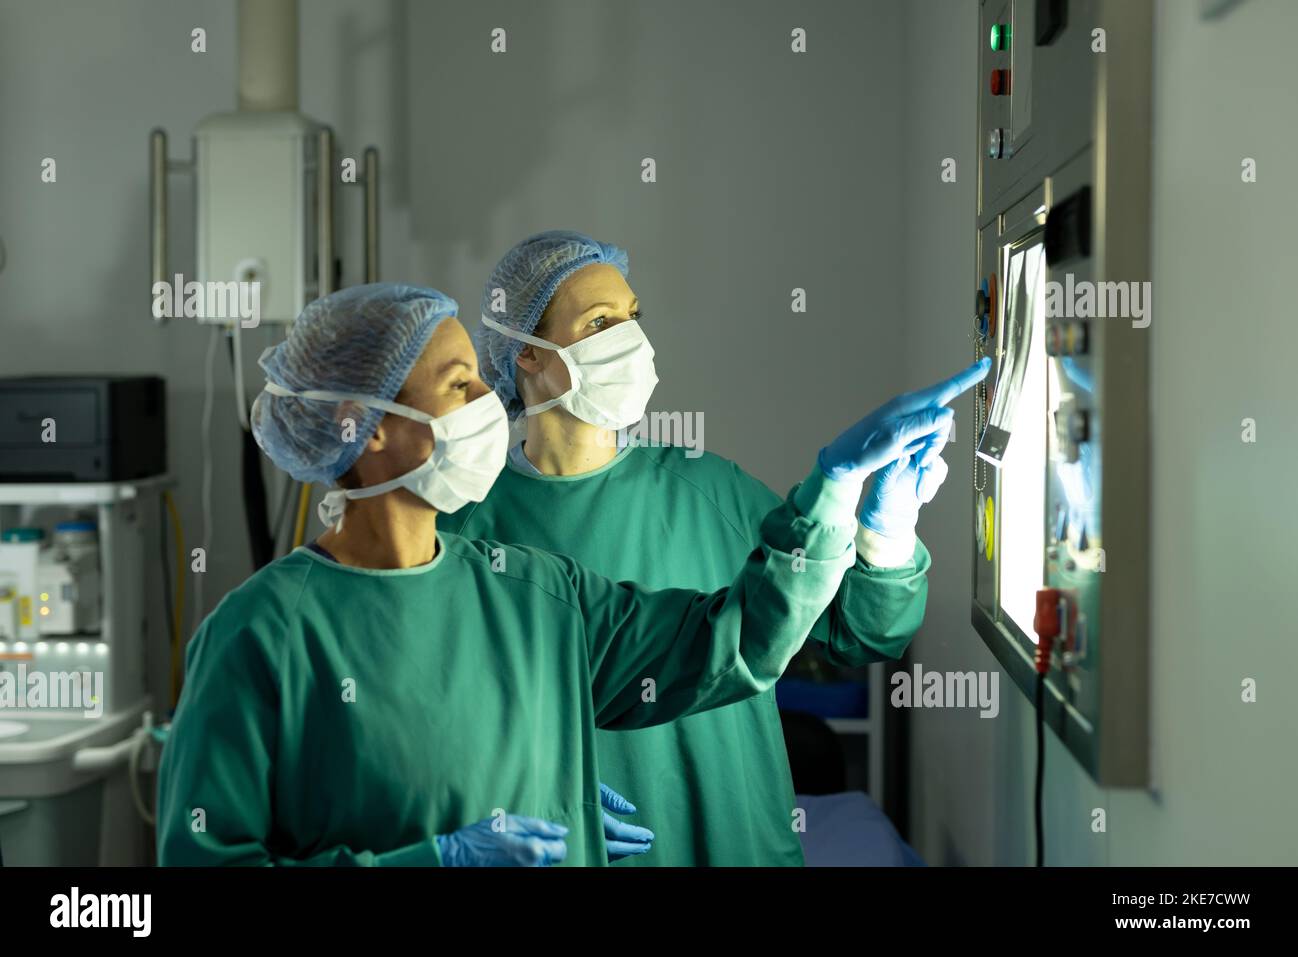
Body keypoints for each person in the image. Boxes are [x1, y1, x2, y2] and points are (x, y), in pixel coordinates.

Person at [156, 282, 986, 866]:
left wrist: (840, 499)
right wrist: (428, 861)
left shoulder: (536, 592)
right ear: (365, 428)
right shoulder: (258, 637)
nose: (488, 399)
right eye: (460, 383)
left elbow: (732, 641)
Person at [448, 231, 974, 865]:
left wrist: (886, 533)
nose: (631, 339)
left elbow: (857, 634)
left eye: (633, 317)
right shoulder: (467, 531)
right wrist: (510, 798)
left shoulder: (708, 489)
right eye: (599, 322)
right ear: (527, 354)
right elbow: (436, 723)